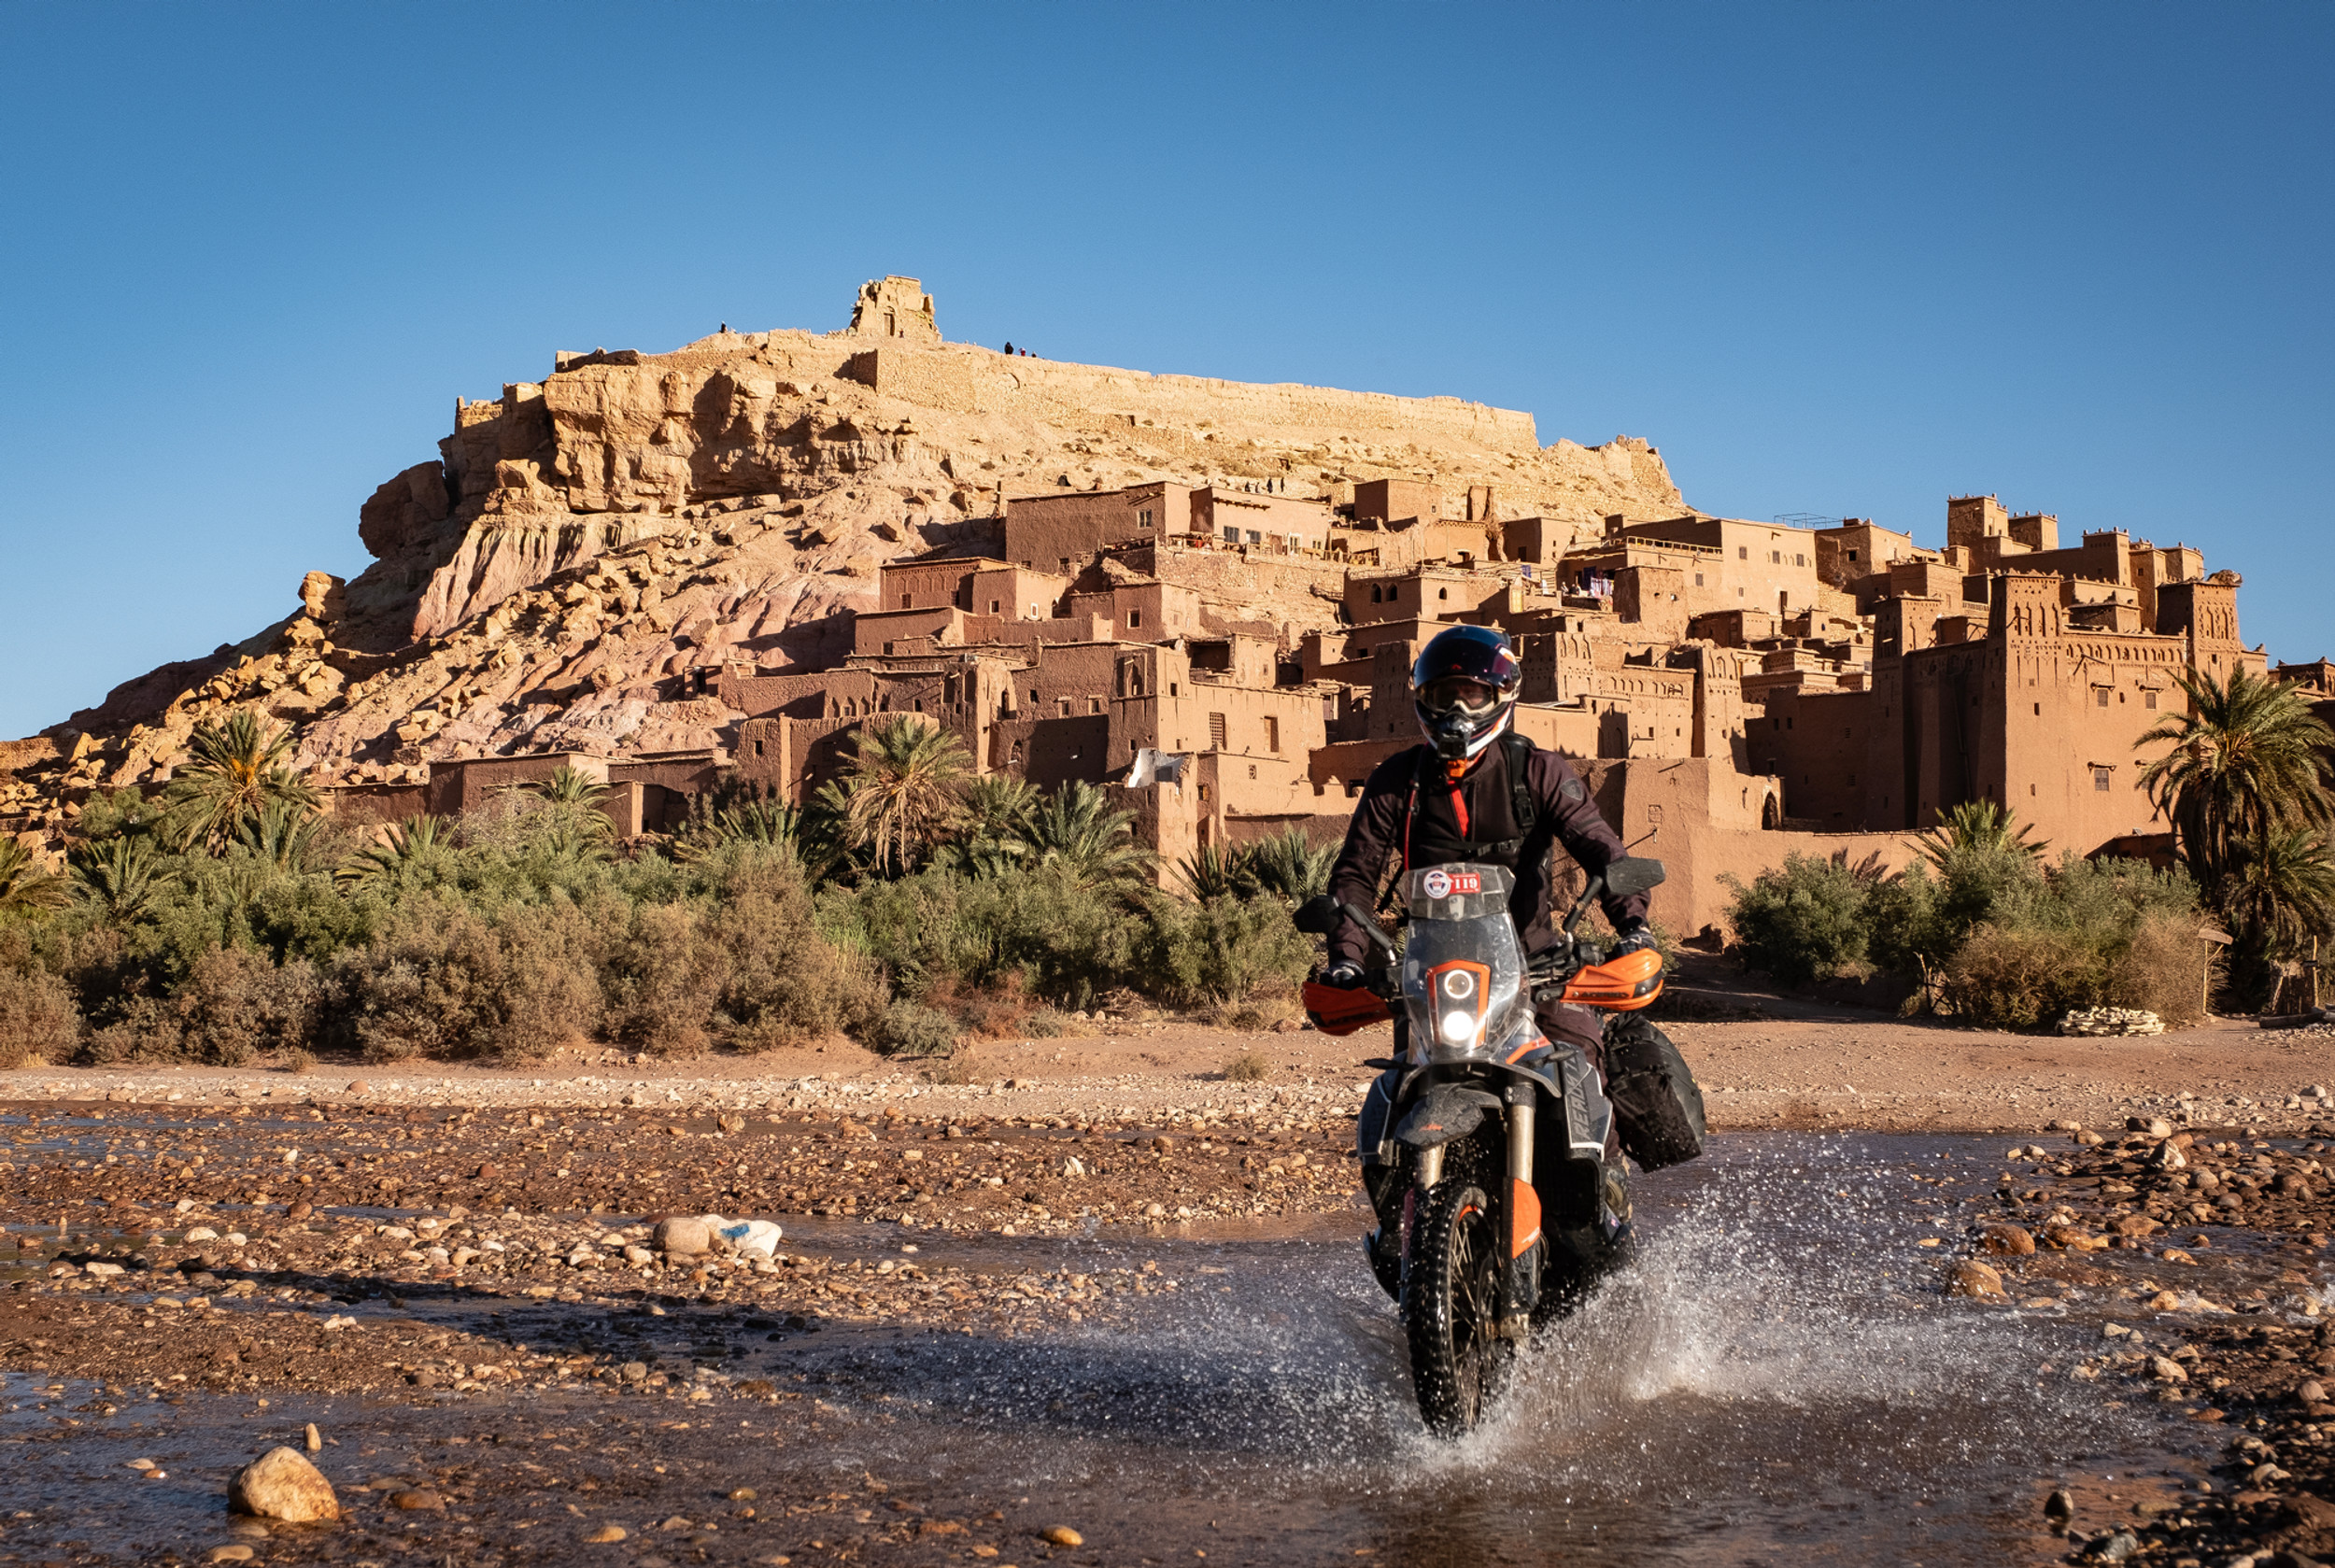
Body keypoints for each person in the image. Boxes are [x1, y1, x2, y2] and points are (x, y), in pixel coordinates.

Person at [1318, 624, 1666, 1257]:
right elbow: (1355, 875)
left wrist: (1632, 923)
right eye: (1446, 694)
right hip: (1437, 983)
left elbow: (1600, 847)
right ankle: (1402, 1230)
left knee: (1583, 1061)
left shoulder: (1536, 771)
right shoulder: (1400, 782)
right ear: (1423, 698)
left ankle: (1606, 1201)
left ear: (1500, 697)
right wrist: (1346, 957)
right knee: (1396, 1094)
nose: (1457, 710)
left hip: (1530, 972)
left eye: (1471, 695)